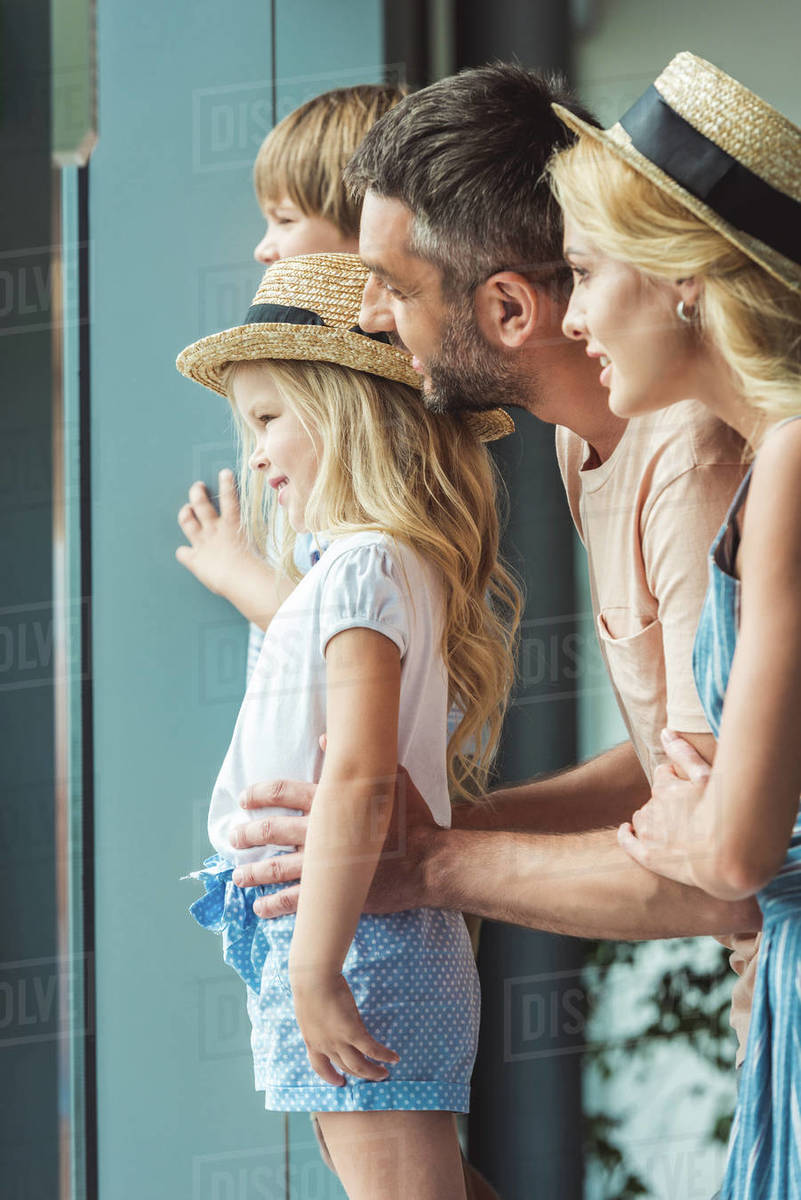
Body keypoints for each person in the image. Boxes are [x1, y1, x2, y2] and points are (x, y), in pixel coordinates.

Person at [226, 64, 761, 1197]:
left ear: (507, 311)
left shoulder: (697, 465)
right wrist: (446, 827)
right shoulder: (584, 442)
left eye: (384, 285)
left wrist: (432, 862)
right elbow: (672, 756)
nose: (367, 317)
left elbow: (725, 867)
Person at [177, 251, 520, 1200]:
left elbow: (360, 776)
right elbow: (308, 644)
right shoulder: (361, 569)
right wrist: (238, 571)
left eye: (267, 419)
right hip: (340, 932)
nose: (253, 453)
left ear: (344, 409)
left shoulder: (365, 568)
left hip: (356, 937)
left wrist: (317, 969)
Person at [549, 51, 801, 1199]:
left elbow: (736, 855)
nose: (572, 314)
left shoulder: (791, 459)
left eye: (588, 271)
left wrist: (680, 824)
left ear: (687, 275)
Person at [175, 83, 404, 679]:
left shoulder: (381, 431)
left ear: (368, 231)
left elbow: (346, 628)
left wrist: (235, 573)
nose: (262, 247)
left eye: (283, 219)